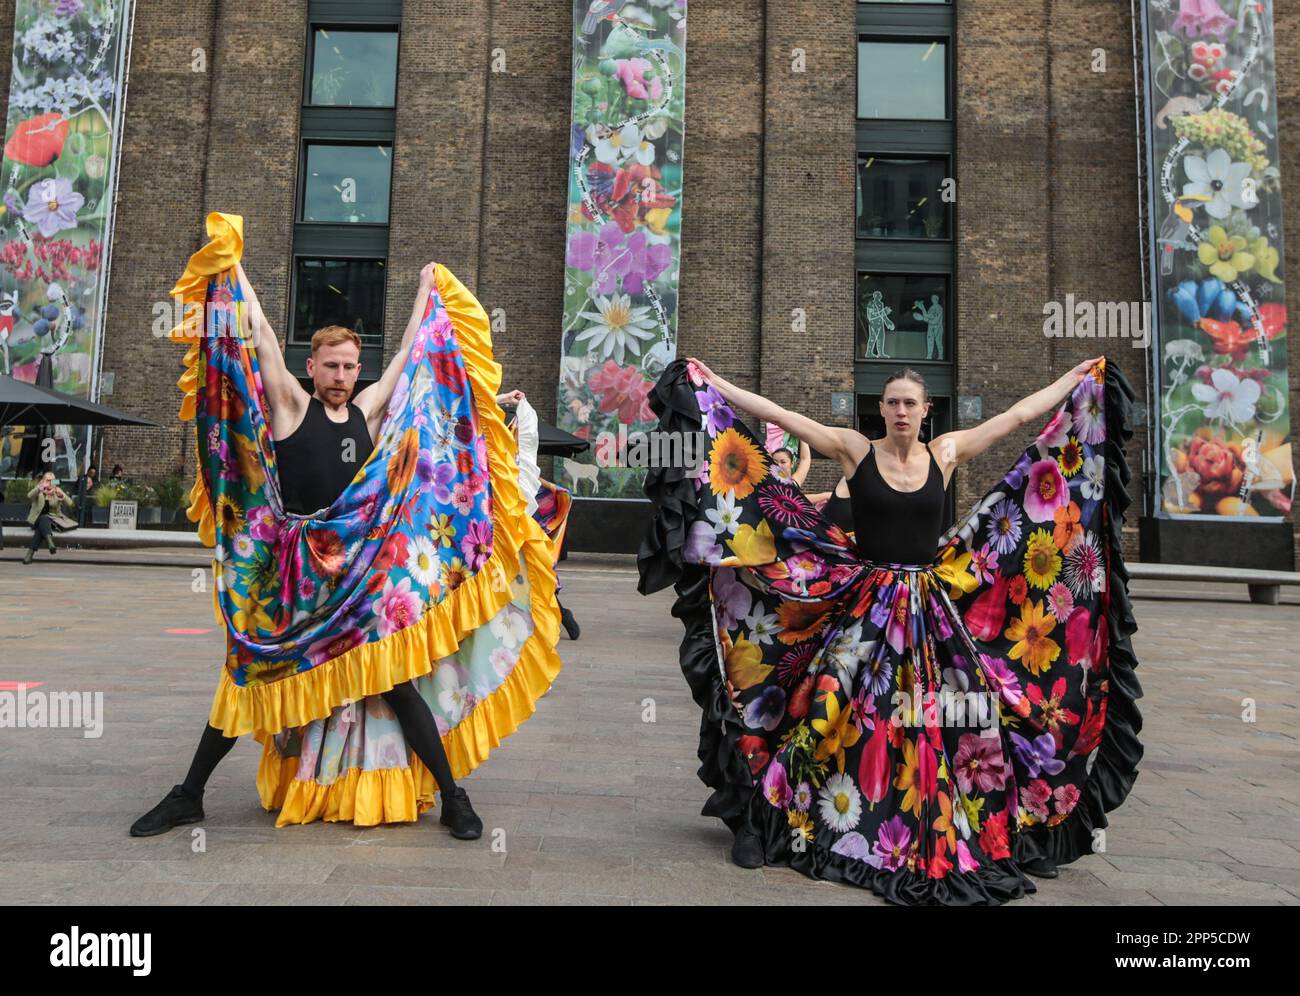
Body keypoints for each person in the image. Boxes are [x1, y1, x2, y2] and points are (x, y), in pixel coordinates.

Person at [638, 355, 1141, 906]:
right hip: (865, 611)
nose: (901, 410)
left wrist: (1073, 380)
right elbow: (776, 412)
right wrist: (714, 382)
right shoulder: (856, 449)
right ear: (881, 409)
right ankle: (768, 820)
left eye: (911, 403)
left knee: (959, 719)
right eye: (893, 402)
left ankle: (1015, 831)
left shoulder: (945, 452)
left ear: (926, 411)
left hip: (929, 611)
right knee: (825, 714)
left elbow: (1020, 415)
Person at [131, 260, 485, 840]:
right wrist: (235, 265)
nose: (343, 375)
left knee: (393, 681)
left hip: (361, 575)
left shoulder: (371, 413)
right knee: (249, 675)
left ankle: (453, 797)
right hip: (295, 575)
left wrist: (425, 292)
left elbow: (408, 355)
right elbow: (263, 332)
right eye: (332, 366)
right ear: (312, 368)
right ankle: (187, 796)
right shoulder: (294, 407)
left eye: (350, 366)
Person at [497, 388, 580, 641]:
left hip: (518, 522)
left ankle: (561, 616)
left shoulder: (519, 470)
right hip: (500, 519)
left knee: (535, 571)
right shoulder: (498, 459)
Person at [23, 470, 76, 565]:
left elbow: (70, 503)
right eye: (47, 480)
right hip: (36, 520)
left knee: (42, 526)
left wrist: (62, 496)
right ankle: (49, 542)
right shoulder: (39, 490)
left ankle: (31, 553)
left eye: (52, 481)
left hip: (53, 522)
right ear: (43, 481)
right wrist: (40, 488)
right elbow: (29, 496)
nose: (50, 483)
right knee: (43, 518)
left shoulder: (57, 490)